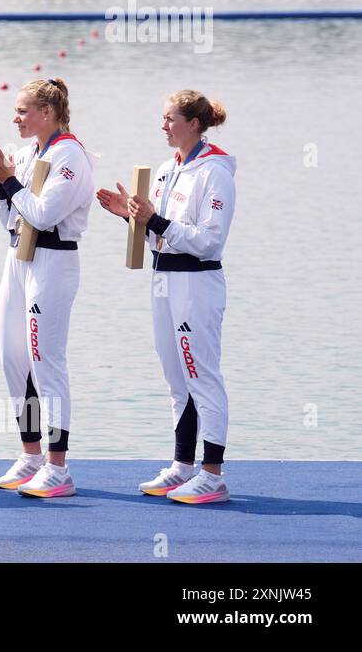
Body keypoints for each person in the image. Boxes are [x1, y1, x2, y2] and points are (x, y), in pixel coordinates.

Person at [96, 90, 235, 504]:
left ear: (194, 123)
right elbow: (159, 233)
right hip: (163, 280)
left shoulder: (216, 173)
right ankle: (182, 466)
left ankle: (213, 475)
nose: (163, 126)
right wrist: (130, 217)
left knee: (201, 375)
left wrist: (153, 218)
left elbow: (209, 241)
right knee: (176, 378)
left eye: (170, 118)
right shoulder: (166, 169)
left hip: (197, 284)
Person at [0, 78, 93, 498]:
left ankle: (58, 466)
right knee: (13, 357)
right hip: (18, 257)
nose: (16, 117)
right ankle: (30, 455)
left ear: (47, 113)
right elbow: (11, 220)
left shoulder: (71, 156)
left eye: (23, 110)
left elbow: (45, 215)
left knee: (46, 360)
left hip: (53, 260)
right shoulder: (29, 153)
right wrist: (1, 185)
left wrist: (10, 183)